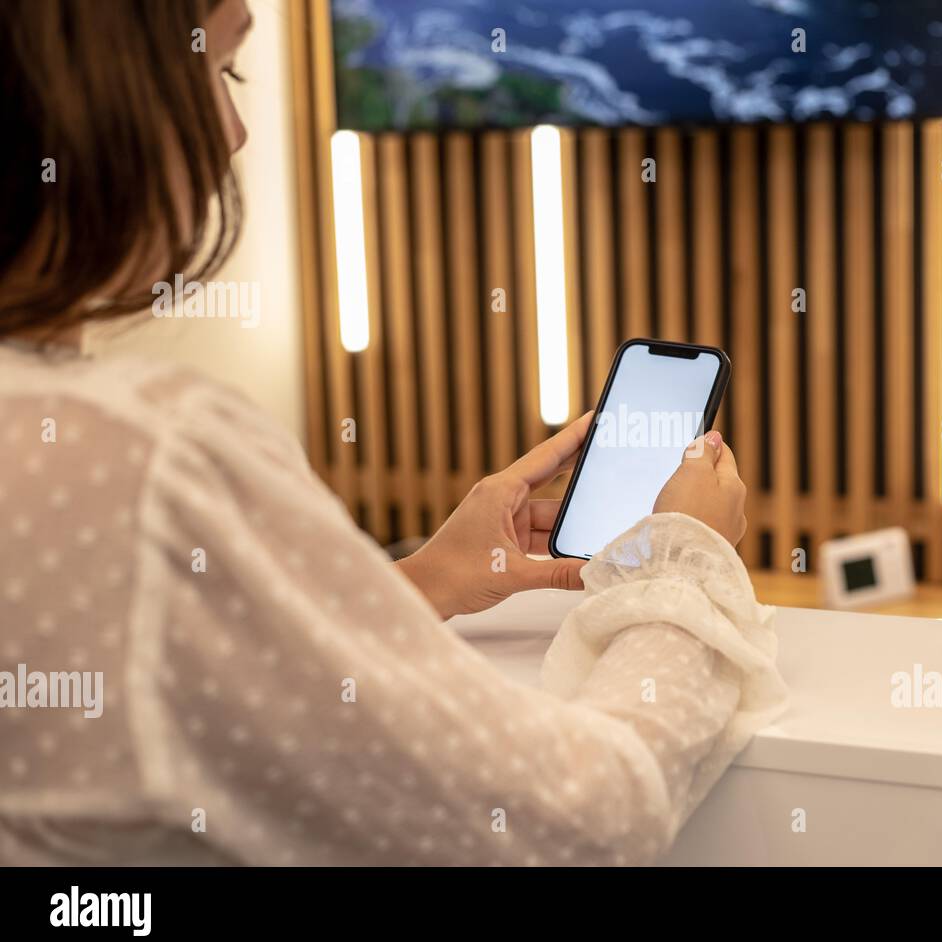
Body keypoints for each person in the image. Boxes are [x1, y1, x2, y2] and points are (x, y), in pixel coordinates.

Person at [0, 0, 786, 865]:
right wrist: (685, 564)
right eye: (221, 70)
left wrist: (417, 586)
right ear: (88, 98)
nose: (232, 134)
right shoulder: (151, 460)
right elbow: (580, 820)